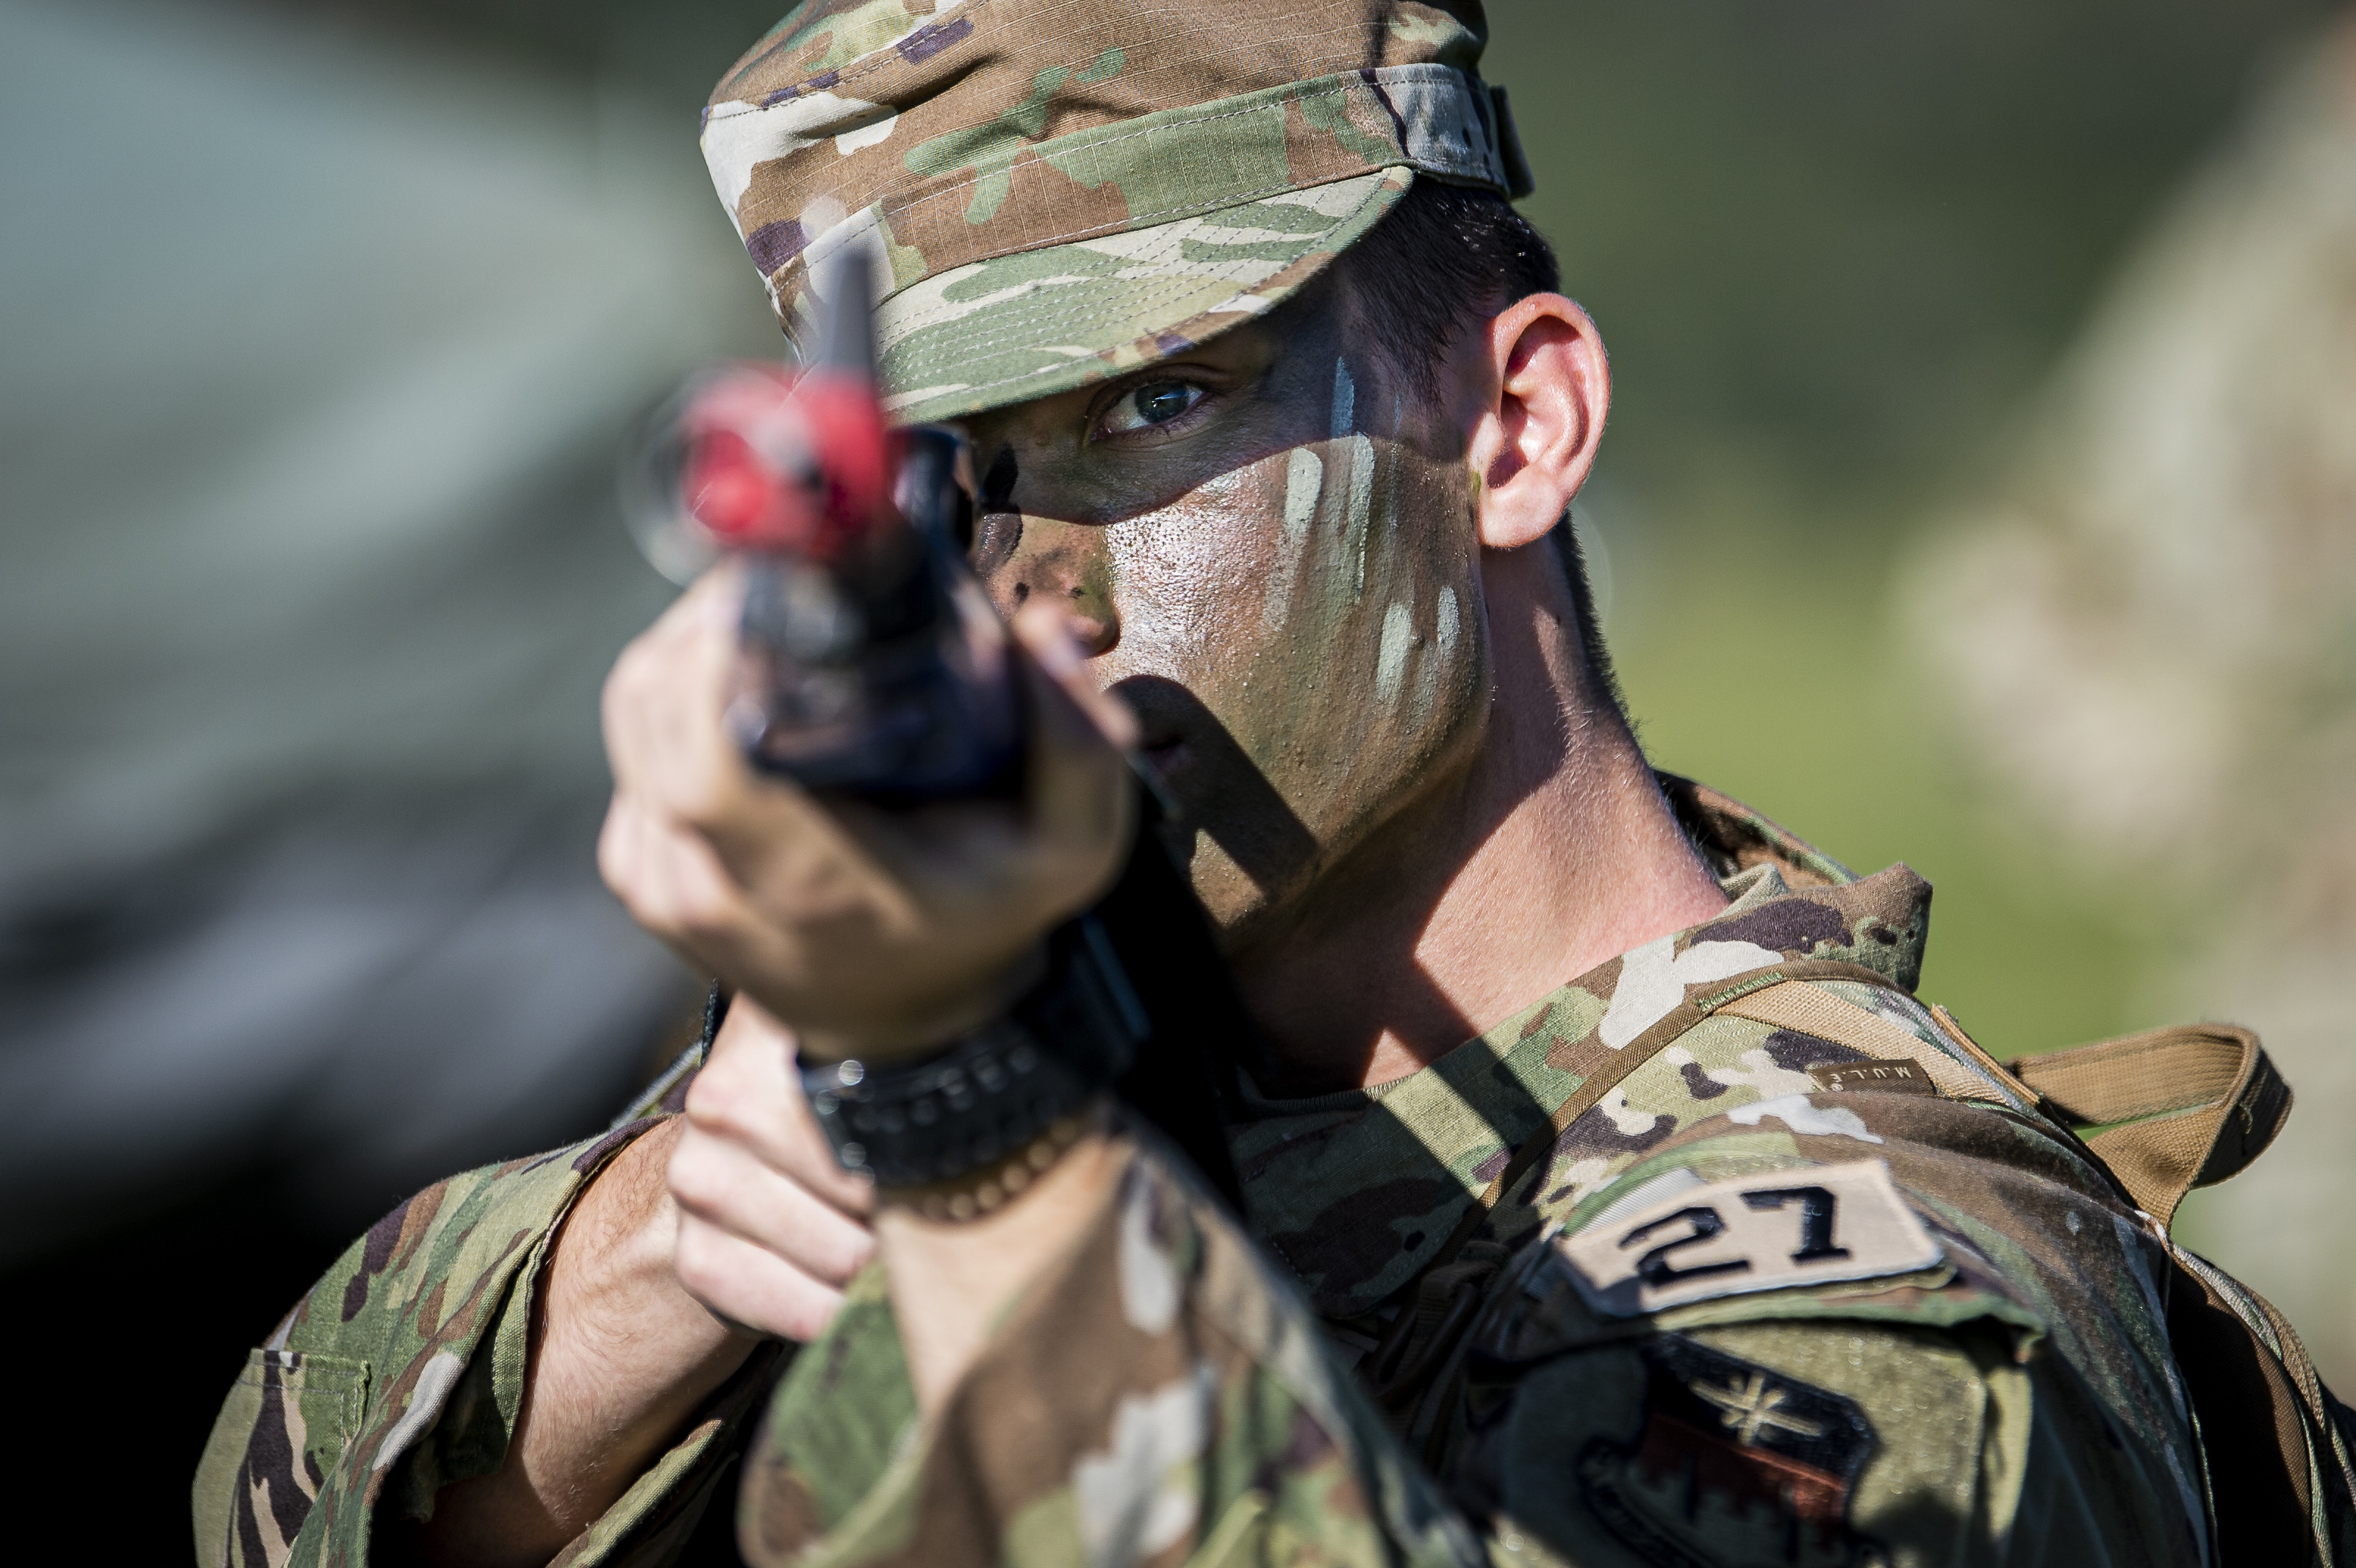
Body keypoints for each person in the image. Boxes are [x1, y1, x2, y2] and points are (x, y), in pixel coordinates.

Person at [192, 4, 2345, 1567]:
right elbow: (267, 1504)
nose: (1035, 583)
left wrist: (972, 1141)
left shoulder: (1892, 1259)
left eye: (1154, 401)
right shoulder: (1083, 1007)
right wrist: (667, 1243)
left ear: (1516, 429)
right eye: (957, 480)